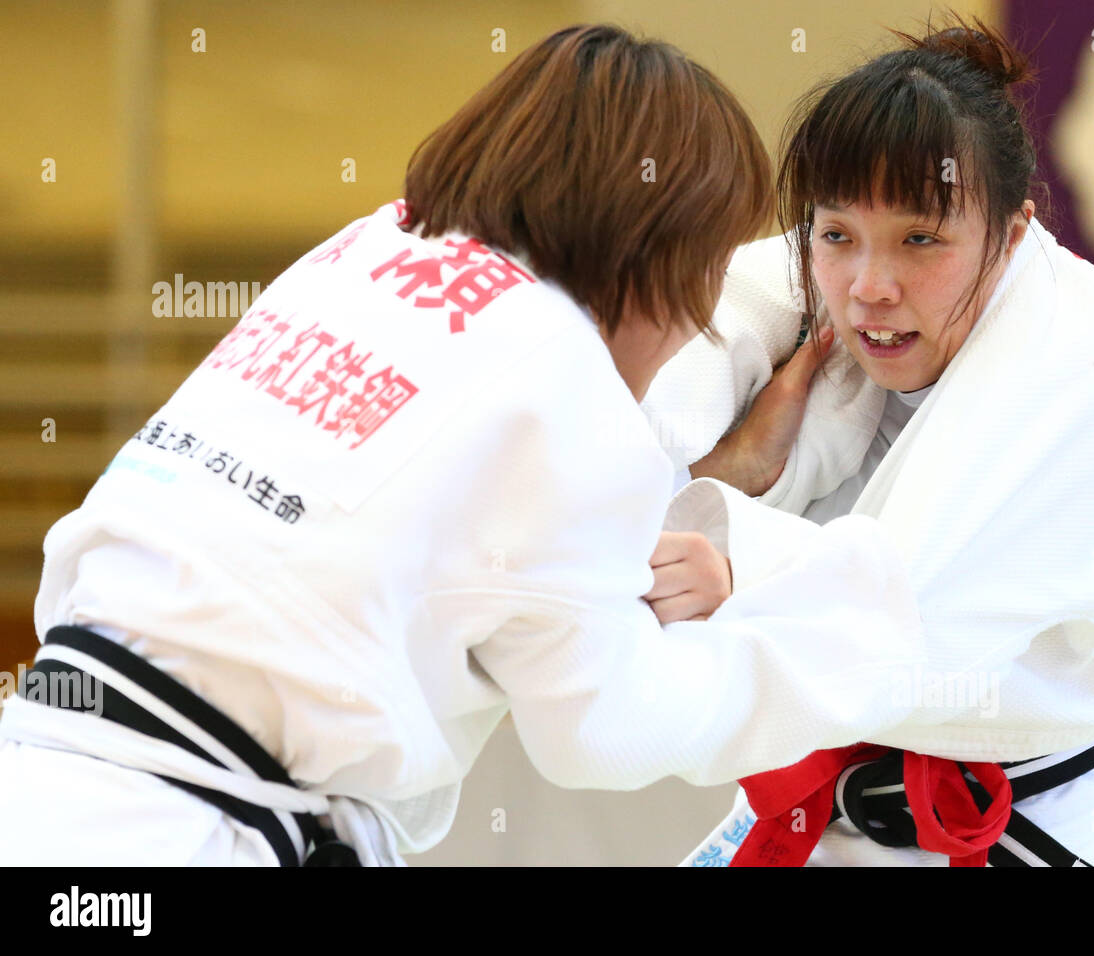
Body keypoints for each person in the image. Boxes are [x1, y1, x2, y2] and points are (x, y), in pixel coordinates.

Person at [0, 24, 935, 865]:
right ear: (661, 257)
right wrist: (844, 610)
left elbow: (445, 525)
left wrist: (713, 482)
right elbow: (605, 730)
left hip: (40, 767)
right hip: (183, 834)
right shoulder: (565, 383)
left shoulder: (364, 249)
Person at [643, 16, 1094, 867]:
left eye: (922, 240)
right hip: (838, 808)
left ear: (1012, 231)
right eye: (835, 233)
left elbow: (915, 630)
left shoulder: (1089, 351)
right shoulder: (805, 279)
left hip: (1064, 815)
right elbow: (633, 449)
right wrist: (725, 471)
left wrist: (738, 560)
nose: (869, 288)